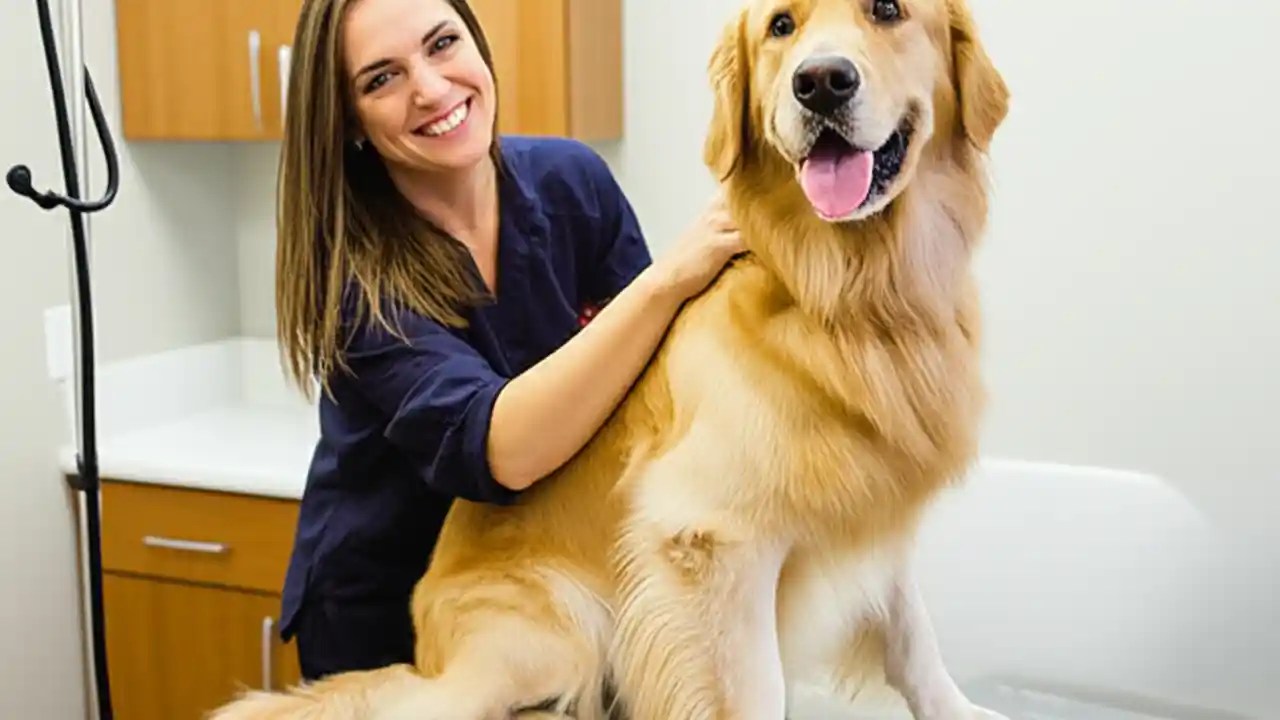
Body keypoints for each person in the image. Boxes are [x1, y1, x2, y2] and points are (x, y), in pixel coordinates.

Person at [272, 0, 744, 681]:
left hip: (545, 590)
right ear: (348, 120)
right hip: (388, 623)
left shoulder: (572, 183)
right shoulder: (355, 281)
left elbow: (653, 391)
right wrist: (668, 279)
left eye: (442, 44)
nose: (431, 89)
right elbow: (503, 451)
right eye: (382, 79)